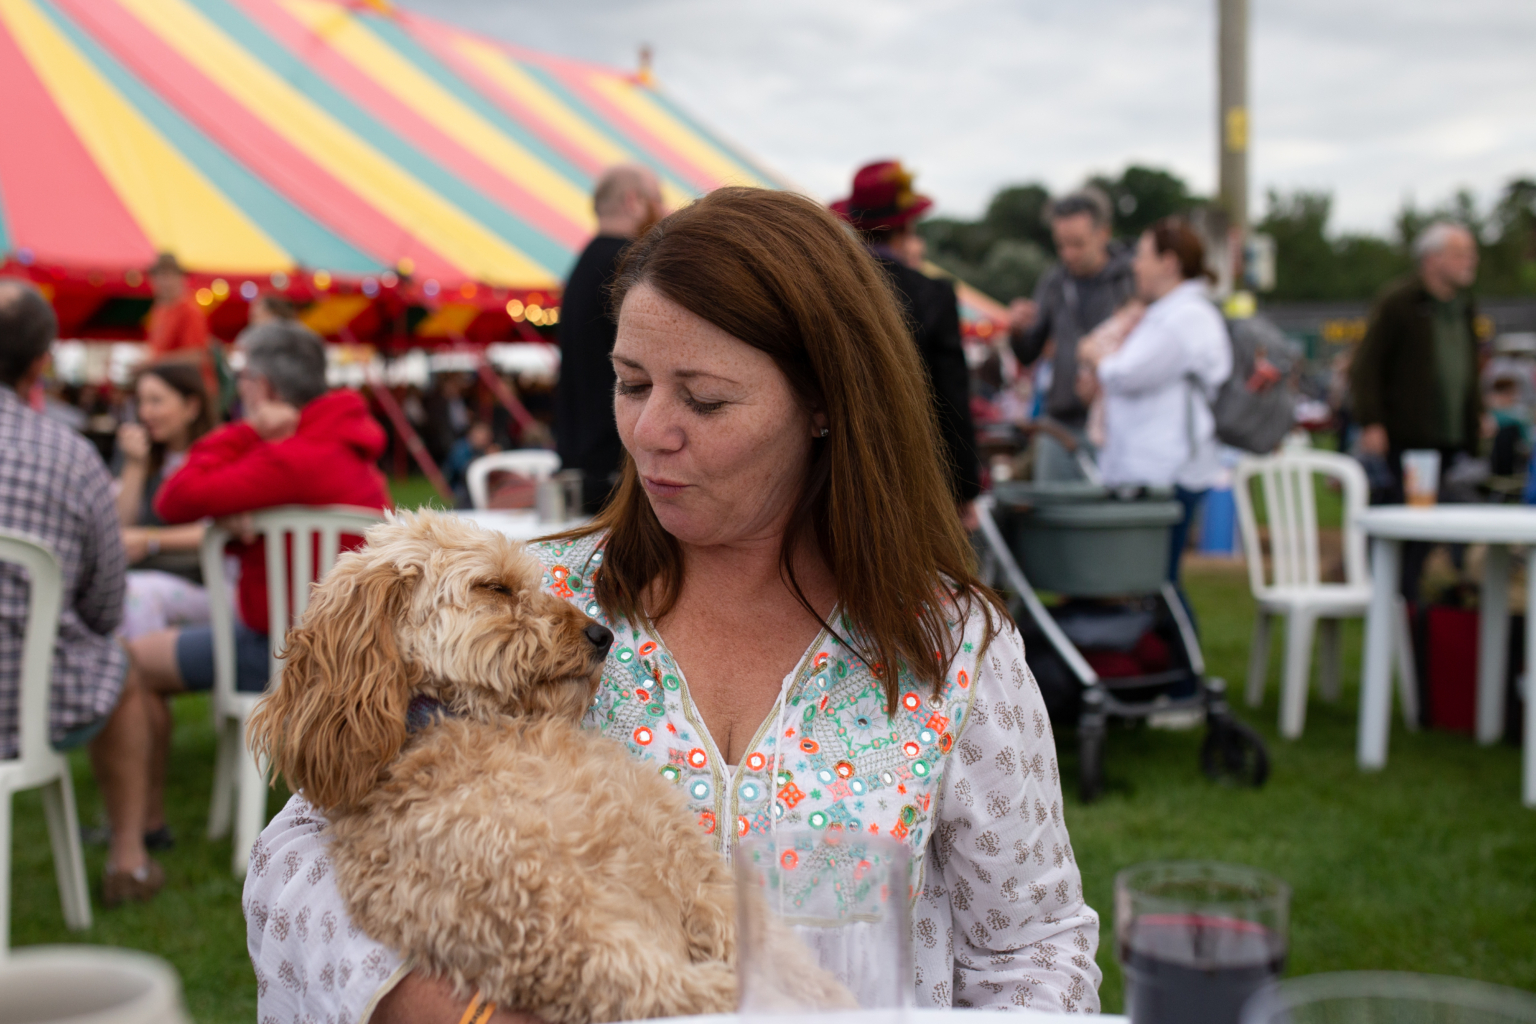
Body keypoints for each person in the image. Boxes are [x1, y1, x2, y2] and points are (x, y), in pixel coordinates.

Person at [246, 188, 1101, 1023]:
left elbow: (1033, 945)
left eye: (704, 398)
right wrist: (449, 1009)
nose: (651, 431)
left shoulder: (949, 645)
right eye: (630, 383)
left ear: (825, 405)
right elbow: (296, 855)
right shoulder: (536, 606)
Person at [113, 321, 391, 862]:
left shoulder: (290, 457)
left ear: (261, 388)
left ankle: (143, 828)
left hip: (285, 653)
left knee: (131, 664)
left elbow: (175, 497)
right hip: (350, 649)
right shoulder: (345, 442)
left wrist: (248, 433)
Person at [0, 280, 158, 904]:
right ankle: (129, 857)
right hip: (28, 705)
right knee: (117, 667)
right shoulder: (68, 457)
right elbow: (103, 608)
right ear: (42, 361)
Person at [1079, 218, 1231, 596]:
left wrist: (1096, 357)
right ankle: (1169, 654)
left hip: (1166, 471)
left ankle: (1181, 656)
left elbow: (1128, 374)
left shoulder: (1184, 317)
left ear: (1170, 263)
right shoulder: (1172, 313)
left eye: (1143, 256)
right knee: (1151, 584)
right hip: (1156, 469)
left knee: (1159, 585)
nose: (1135, 265)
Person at [831, 160, 981, 518]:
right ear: (907, 225)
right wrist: (964, 490)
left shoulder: (828, 289)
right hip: (915, 471)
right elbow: (950, 399)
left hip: (837, 475)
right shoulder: (933, 294)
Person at [1350, 221, 1482, 600]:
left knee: (1433, 523)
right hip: (1406, 436)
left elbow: (1466, 367)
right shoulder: (1400, 302)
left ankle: (1408, 598)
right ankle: (1389, 595)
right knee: (1402, 520)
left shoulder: (1463, 306)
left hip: (1449, 436)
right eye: (1461, 254)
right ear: (1433, 259)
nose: (1470, 262)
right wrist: (1371, 420)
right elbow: (1367, 364)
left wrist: (1476, 414)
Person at [556, 165, 665, 514]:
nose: (664, 212)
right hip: (618, 467)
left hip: (582, 458)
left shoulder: (583, 263)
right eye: (658, 201)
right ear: (634, 201)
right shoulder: (631, 268)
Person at [1007, 189, 1135, 480]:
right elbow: (1027, 352)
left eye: (1078, 244)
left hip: (1116, 426)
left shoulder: (1131, 279)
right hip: (1060, 425)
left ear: (1104, 233)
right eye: (1061, 245)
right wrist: (1017, 330)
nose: (1068, 254)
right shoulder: (1054, 281)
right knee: (1055, 519)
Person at [115, 362, 214, 643]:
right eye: (141, 402)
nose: (146, 412)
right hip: (140, 577)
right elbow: (120, 528)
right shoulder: (139, 455)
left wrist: (151, 539)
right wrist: (134, 465)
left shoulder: (216, 456)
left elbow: (216, 529)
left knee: (136, 594)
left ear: (192, 406)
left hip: (201, 581)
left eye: (156, 401)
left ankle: (143, 681)